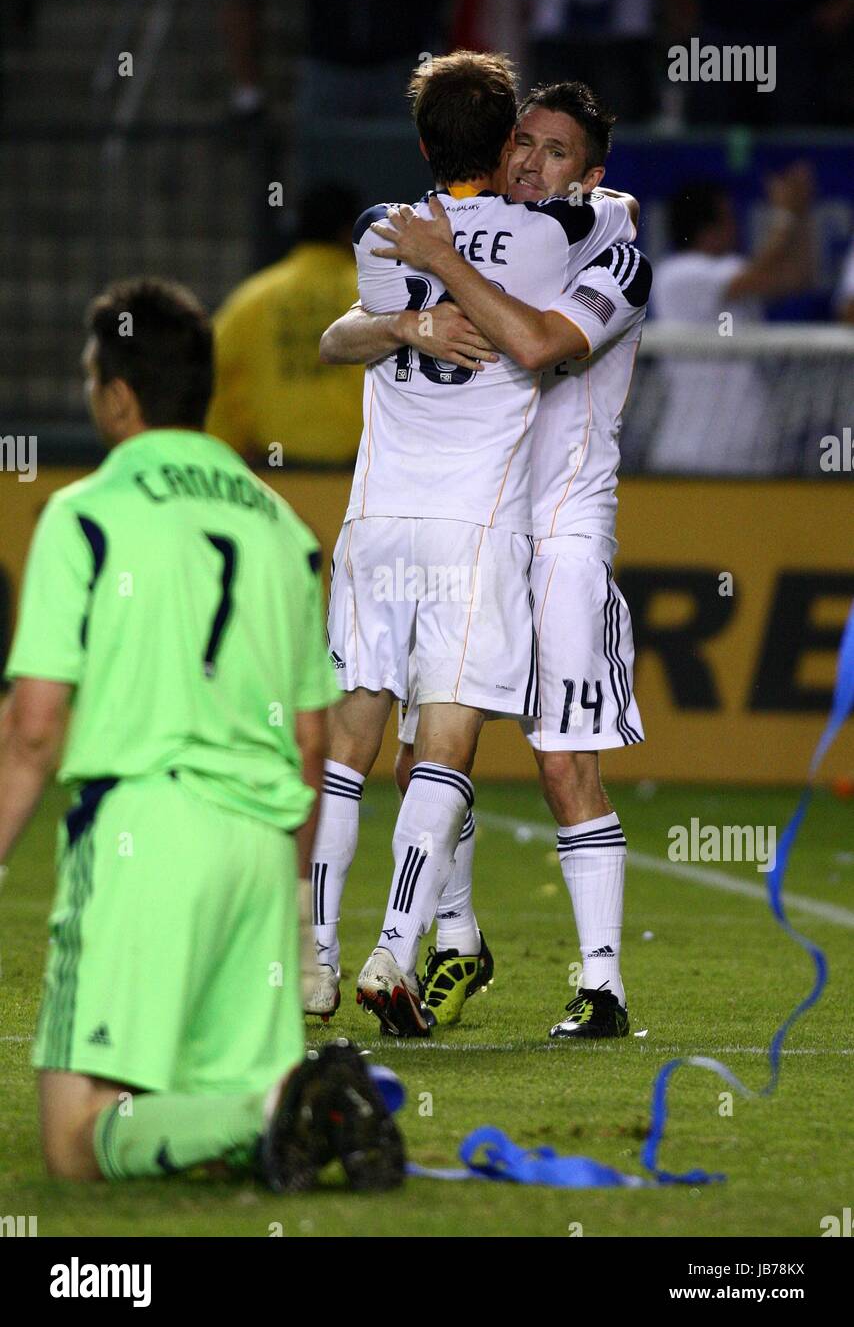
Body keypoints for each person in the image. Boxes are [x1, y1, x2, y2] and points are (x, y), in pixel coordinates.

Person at [0, 278, 402, 1189]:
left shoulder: (85, 513)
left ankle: (273, 1108)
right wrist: (299, 911)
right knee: (201, 1132)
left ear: (116, 394)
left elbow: (32, 730)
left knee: (75, 1144)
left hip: (144, 840)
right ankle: (290, 1109)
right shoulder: (281, 529)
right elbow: (312, 744)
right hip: (259, 856)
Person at [309, 54, 635, 1039]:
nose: (533, 161)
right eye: (523, 142)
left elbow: (537, 346)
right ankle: (446, 939)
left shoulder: (608, 236)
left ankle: (602, 980)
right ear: (498, 148)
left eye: (555, 151)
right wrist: (416, 312)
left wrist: (432, 284)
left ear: (586, 169)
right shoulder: (496, 227)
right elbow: (342, 332)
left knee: (558, 760)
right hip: (473, 519)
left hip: (558, 523)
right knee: (422, 753)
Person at [648, 165, 814, 473]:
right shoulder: (677, 275)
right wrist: (784, 215)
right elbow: (754, 274)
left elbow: (798, 278)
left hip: (752, 450)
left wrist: (800, 214)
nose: (735, 227)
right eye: (728, 218)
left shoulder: (732, 276)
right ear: (706, 227)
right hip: (695, 453)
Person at [206, 184, 365, 467]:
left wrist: (228, 446)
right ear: (349, 232)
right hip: (357, 474)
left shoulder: (253, 298)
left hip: (273, 473)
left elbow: (210, 369)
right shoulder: (372, 296)